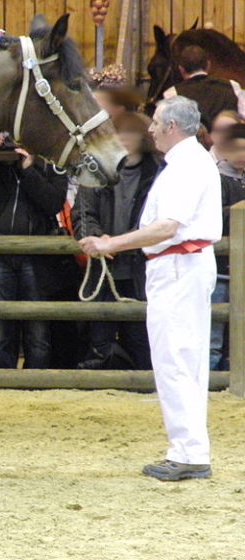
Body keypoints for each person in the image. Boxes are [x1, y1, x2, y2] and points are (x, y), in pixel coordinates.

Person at [80, 96, 221, 481]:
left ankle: (188, 452)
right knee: (181, 360)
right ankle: (189, 449)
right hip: (178, 264)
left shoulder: (186, 166)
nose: (151, 128)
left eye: (157, 122)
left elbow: (166, 227)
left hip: (178, 263)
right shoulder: (185, 162)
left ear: (173, 126)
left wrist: (110, 243)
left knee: (175, 360)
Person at [0, 132, 67, 369]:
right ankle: (2, 386)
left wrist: (28, 169)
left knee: (38, 332)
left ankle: (36, 387)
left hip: (37, 257)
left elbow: (53, 202)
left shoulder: (50, 163)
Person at [73, 112, 161, 371]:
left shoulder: (158, 173)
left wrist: (126, 242)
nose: (125, 139)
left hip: (142, 269)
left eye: (131, 133)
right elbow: (82, 212)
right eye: (120, 132)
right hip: (103, 268)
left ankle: (146, 390)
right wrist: (95, 238)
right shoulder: (96, 169)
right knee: (98, 338)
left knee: (141, 338)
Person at [210, 123, 245, 371]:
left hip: (239, 269)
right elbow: (210, 220)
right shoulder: (213, 179)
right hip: (220, 268)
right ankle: (209, 386)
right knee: (213, 337)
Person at [164, 46, 238, 131]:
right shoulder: (232, 86)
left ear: (181, 69)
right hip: (227, 143)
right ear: (208, 65)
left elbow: (169, 129)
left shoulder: (171, 94)